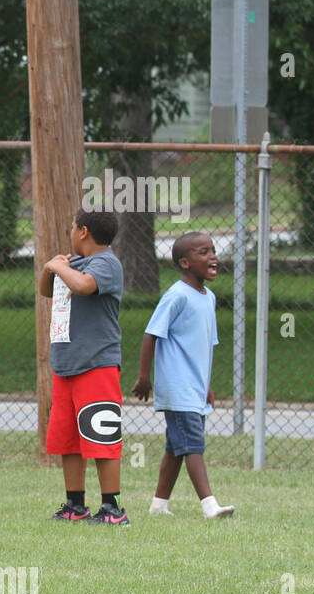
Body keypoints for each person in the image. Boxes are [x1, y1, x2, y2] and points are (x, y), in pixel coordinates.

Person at [132, 232, 235, 518]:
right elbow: (151, 334)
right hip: (178, 388)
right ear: (186, 263)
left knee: (176, 448)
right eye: (204, 252)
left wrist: (208, 384)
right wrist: (144, 377)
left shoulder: (209, 298)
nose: (212, 256)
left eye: (213, 251)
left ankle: (158, 505)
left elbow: (203, 346)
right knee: (192, 445)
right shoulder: (176, 296)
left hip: (195, 387)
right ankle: (209, 505)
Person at [38, 207, 127, 525]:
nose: (70, 233)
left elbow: (85, 286)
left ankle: (113, 507)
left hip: (97, 364)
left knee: (101, 435)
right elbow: (46, 290)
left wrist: (57, 266)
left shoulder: (106, 263)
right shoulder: (73, 265)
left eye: (72, 227)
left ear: (84, 231)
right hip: (67, 365)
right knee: (68, 439)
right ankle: (75, 504)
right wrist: (52, 269)